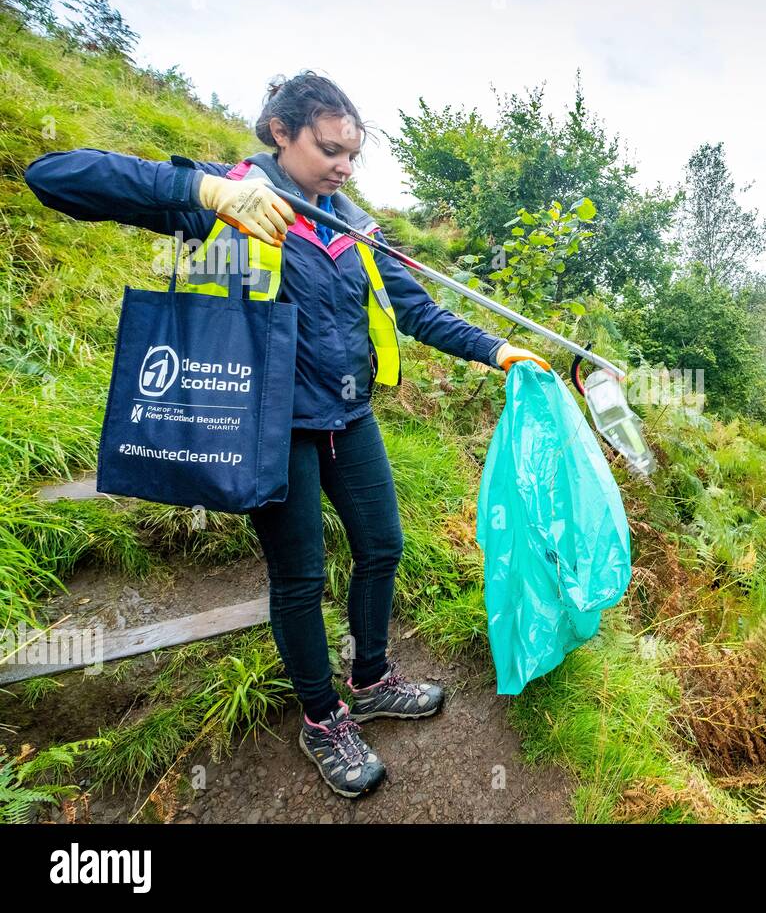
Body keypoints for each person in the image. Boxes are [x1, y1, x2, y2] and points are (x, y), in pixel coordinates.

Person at [24, 71, 551, 799]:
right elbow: (54, 176)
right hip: (271, 426)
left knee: (382, 546)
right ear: (281, 132)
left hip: (349, 416)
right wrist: (203, 193)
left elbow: (419, 311)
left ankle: (369, 680)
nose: (343, 166)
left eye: (352, 155)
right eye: (330, 149)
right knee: (299, 576)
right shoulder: (230, 196)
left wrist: (498, 351)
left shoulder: (353, 223)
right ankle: (322, 717)